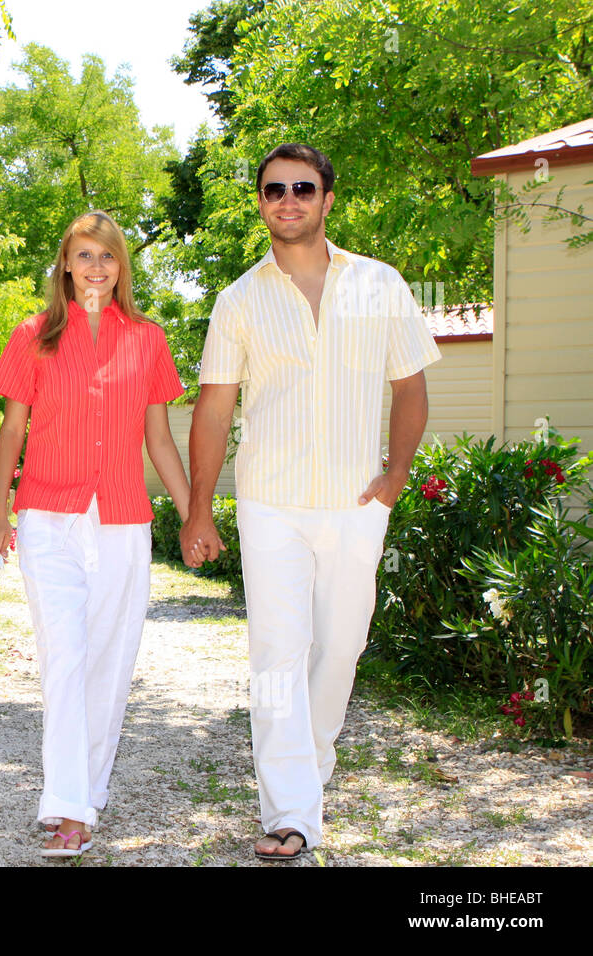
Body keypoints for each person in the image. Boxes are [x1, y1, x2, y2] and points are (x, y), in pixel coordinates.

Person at [181, 143, 441, 861]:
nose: (287, 200)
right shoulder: (238, 299)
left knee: (341, 650)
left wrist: (395, 475)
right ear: (261, 203)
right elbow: (211, 411)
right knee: (276, 656)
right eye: (273, 191)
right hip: (271, 504)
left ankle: (310, 777)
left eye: (302, 188)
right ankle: (290, 811)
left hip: (358, 502)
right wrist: (200, 509)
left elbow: (411, 388)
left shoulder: (381, 285)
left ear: (328, 199)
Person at [0, 209, 190, 858]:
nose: (95, 266)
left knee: (110, 662)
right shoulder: (33, 336)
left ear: (120, 265)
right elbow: (11, 432)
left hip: (124, 520)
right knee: (65, 659)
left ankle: (89, 794)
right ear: (65, 266)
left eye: (107, 255)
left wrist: (195, 514)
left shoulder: (148, 340)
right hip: (47, 517)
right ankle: (67, 808)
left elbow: (159, 437)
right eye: (83, 255)